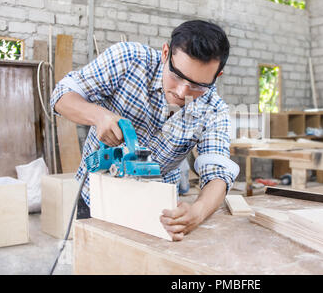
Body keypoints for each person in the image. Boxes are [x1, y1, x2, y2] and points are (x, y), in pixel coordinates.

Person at [50, 20, 239, 241]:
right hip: (97, 197)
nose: (181, 92)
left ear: (217, 76)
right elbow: (61, 95)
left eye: (197, 86)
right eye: (176, 76)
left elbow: (217, 174)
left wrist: (197, 213)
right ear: (166, 53)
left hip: (156, 210)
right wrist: (99, 115)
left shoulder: (214, 110)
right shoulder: (128, 59)